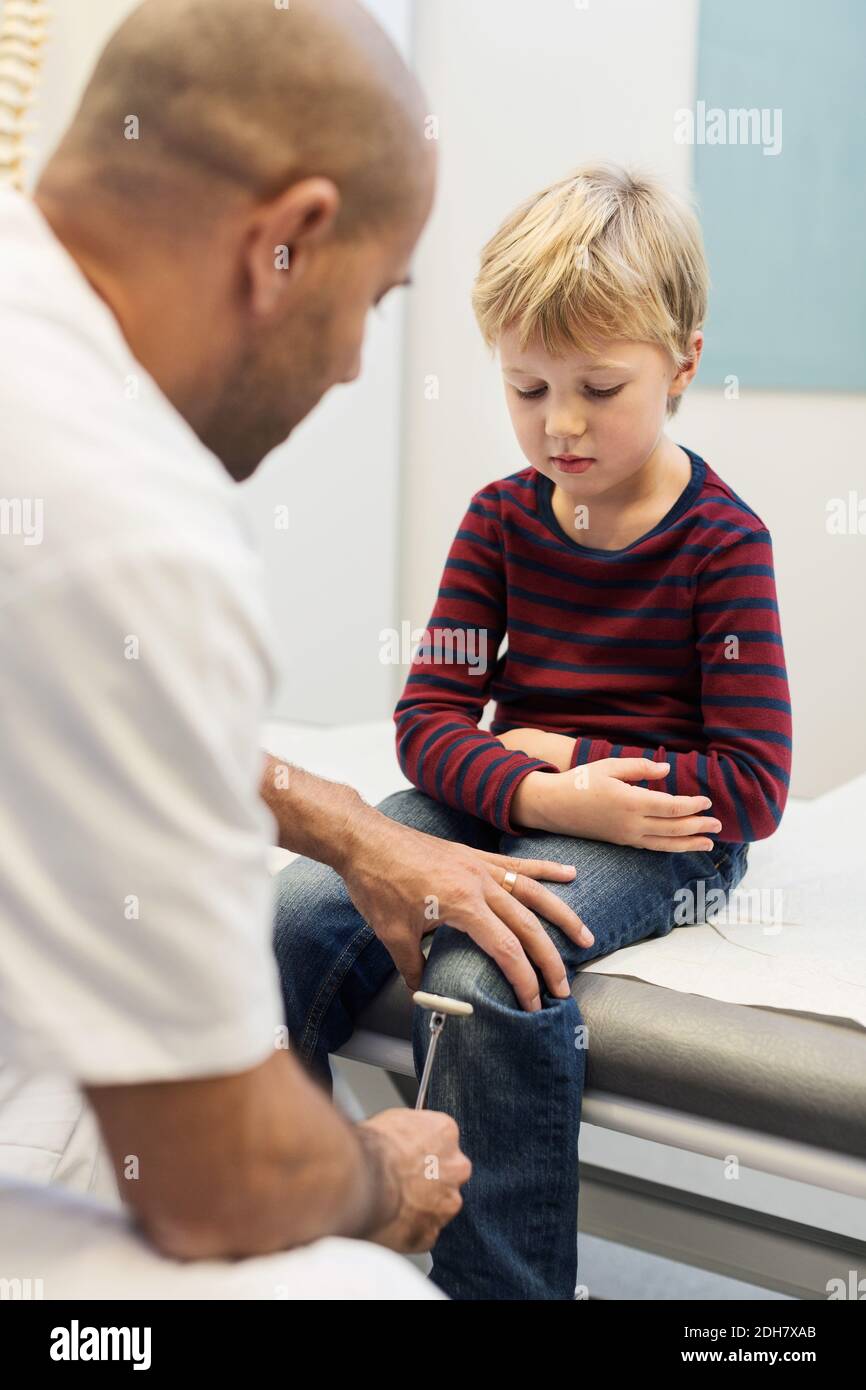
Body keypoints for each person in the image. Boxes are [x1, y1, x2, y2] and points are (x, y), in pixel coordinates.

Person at [0, 0, 592, 1299]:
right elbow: (215, 1176)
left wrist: (337, 818)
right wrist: (377, 1176)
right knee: (359, 1279)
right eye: (368, 301)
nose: (346, 366)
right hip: (183, 1145)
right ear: (287, 242)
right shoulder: (128, 520)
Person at [273, 163, 793, 1299]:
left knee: (483, 968)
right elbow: (426, 723)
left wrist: (576, 768)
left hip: (654, 830)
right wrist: (541, 788)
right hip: (523, 791)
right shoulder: (500, 522)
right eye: (526, 388)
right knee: (293, 912)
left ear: (682, 363)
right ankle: (298, 1226)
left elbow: (747, 784)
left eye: (598, 388)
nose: (557, 425)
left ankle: (496, 1284)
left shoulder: (722, 545)